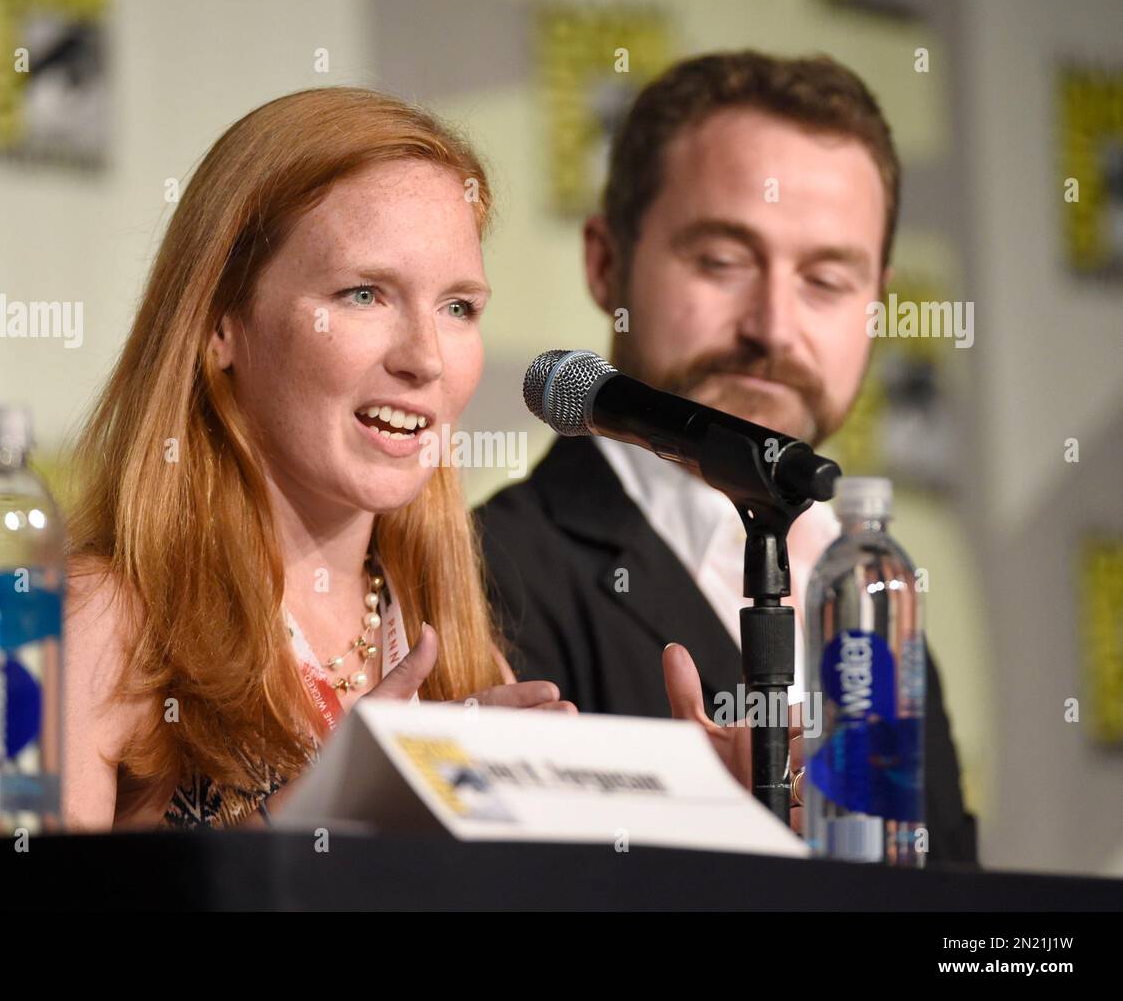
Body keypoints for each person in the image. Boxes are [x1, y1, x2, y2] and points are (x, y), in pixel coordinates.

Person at [477, 51, 978, 864]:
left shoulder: (873, 600)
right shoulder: (493, 572)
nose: (773, 326)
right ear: (606, 262)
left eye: (826, 278)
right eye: (721, 260)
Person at [62, 87, 572, 832]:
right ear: (220, 324)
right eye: (365, 294)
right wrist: (302, 825)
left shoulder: (461, 655)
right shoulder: (97, 623)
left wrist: (719, 831)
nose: (425, 358)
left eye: (458, 307)